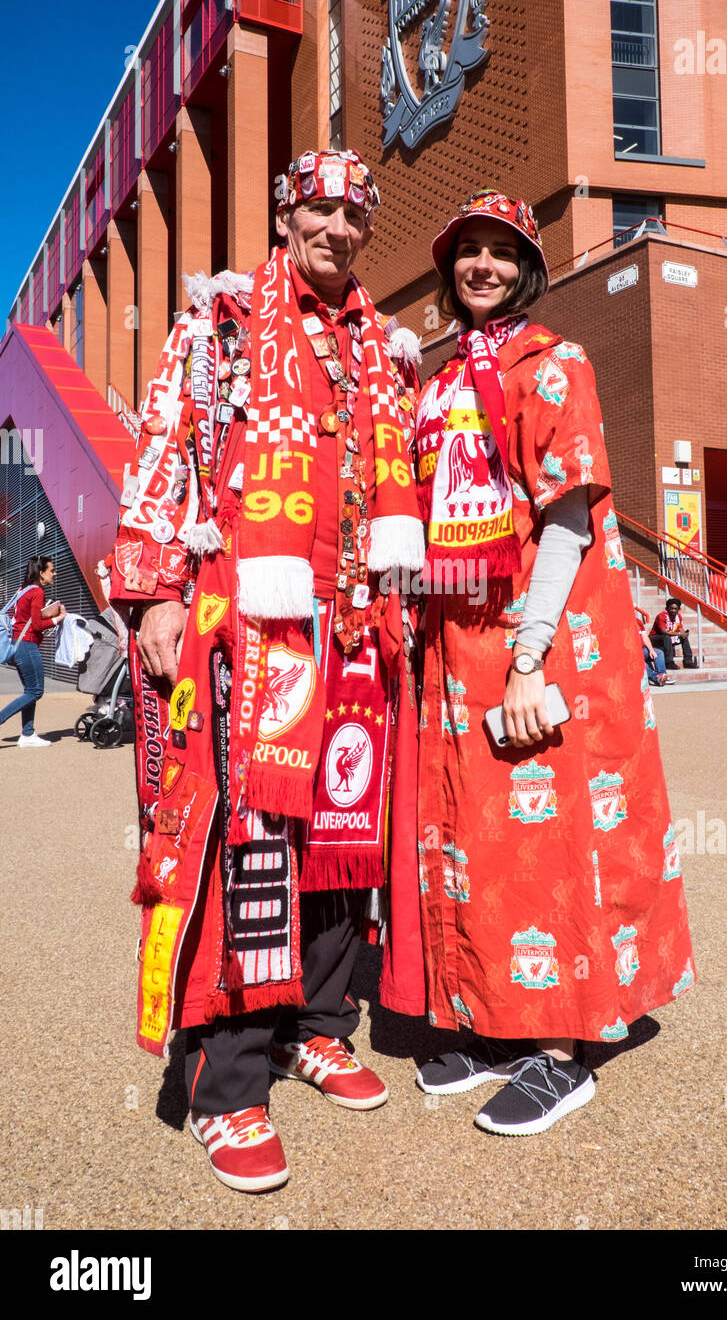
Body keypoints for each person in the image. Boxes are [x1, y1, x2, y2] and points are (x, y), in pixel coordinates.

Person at [108, 148, 425, 1192]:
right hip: (247, 618)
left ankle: (315, 1021)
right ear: (286, 215)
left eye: (352, 217)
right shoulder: (226, 318)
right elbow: (163, 445)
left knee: (342, 829)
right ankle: (226, 1077)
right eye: (319, 211)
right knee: (247, 833)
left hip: (353, 628)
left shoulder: (382, 350)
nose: (336, 229)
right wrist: (152, 589)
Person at [403, 190, 695, 1136]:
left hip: (541, 633)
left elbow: (566, 521)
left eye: (499, 251)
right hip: (458, 646)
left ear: (525, 265)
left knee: (557, 831)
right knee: (478, 836)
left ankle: (566, 1049)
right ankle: (498, 1017)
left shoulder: (555, 360)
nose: (480, 265)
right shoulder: (446, 379)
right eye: (466, 252)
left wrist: (529, 658)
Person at [0, 555, 66, 747]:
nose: (54, 573)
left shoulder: (24, 590)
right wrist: (58, 618)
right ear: (41, 573)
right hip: (28, 645)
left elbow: (26, 618)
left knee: (30, 690)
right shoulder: (37, 591)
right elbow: (36, 625)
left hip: (18, 644)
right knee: (36, 691)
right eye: (51, 570)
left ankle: (28, 734)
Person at [637, 609, 670, 686]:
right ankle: (656, 677)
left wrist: (651, 650)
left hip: (642, 650)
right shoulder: (621, 623)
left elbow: (645, 637)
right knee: (639, 662)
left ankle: (662, 675)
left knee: (658, 652)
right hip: (631, 652)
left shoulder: (638, 622)